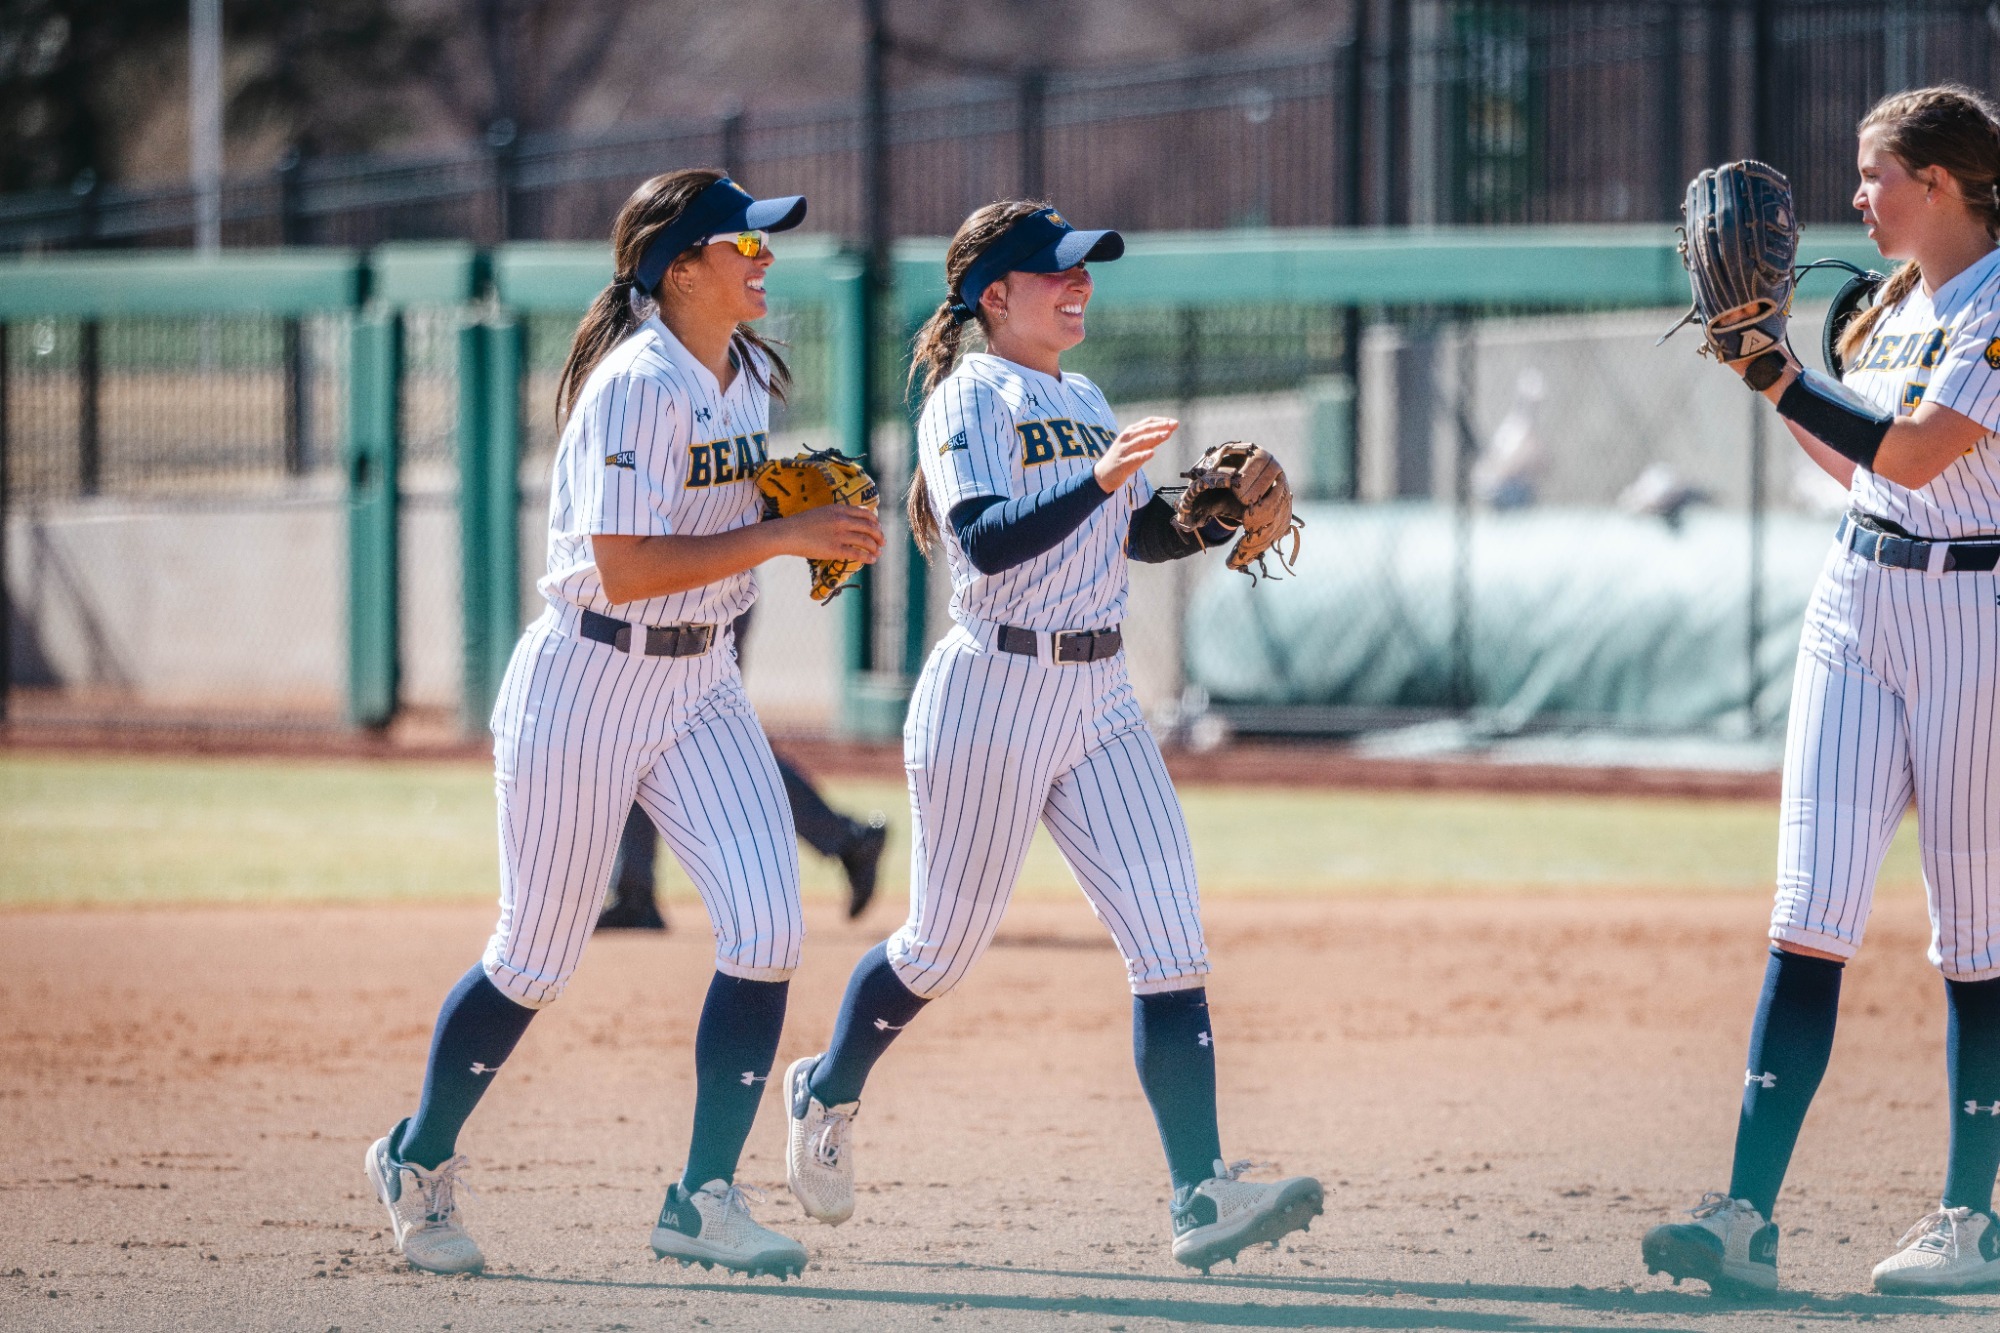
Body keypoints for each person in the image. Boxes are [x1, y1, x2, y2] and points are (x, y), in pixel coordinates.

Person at [777, 200, 1323, 1272]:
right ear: (995, 295)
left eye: (1084, 270)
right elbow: (984, 539)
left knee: (1170, 938)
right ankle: (827, 1088)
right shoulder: (965, 397)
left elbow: (1134, 535)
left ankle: (1201, 1192)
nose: (1080, 285)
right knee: (938, 949)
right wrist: (1102, 475)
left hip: (1099, 697)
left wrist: (1205, 518)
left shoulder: (1084, 397)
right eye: (1058, 271)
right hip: (991, 689)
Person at [362, 168, 883, 1279]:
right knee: (534, 957)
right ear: (680, 267)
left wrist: (784, 500)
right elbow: (625, 565)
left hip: (699, 686)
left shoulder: (744, 371)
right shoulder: (635, 382)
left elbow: (708, 506)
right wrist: (780, 536)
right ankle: (416, 1158)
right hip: (588, 680)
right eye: (744, 244)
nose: (765, 259)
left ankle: (701, 1198)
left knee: (767, 927)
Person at [1643, 85, 2000, 1296]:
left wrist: (1775, 374)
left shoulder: (1993, 304)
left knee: (1975, 930)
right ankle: (1744, 1214)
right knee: (1807, 910)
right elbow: (1857, 466)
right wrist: (1773, 371)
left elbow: (1917, 455)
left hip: (1971, 616)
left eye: (1874, 175)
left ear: (1937, 183)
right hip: (1854, 601)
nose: (1855, 197)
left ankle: (1970, 1218)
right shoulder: (1890, 304)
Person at [596, 603, 889, 931]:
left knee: (711, 745)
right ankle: (634, 893)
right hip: (666, 603)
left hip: (697, 601)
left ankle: (849, 839)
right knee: (646, 733)